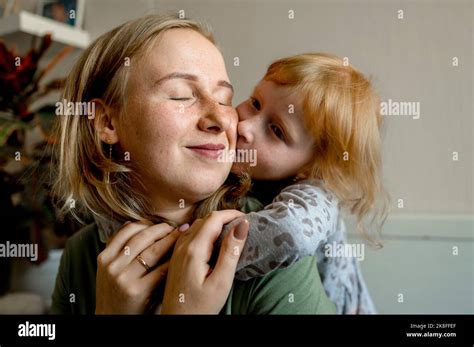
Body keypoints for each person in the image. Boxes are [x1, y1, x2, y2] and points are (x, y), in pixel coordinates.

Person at [50, 14, 336, 315]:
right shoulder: (79, 255)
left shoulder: (266, 241)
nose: (221, 119)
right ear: (107, 122)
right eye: (182, 96)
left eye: (225, 99)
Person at [216, 53, 389, 314]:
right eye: (255, 102)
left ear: (310, 168)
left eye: (276, 130)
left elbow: (291, 232)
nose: (246, 127)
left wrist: (196, 242)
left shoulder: (318, 196)